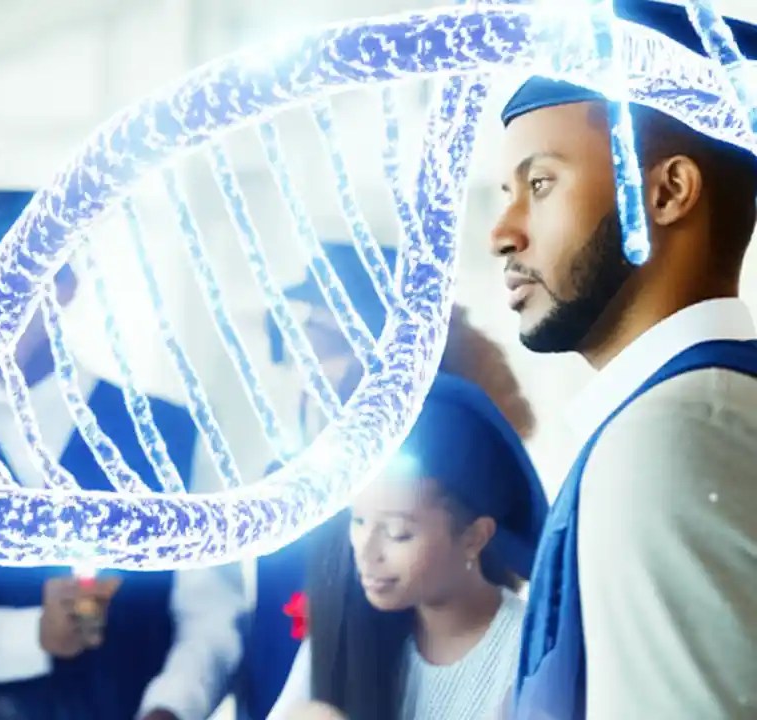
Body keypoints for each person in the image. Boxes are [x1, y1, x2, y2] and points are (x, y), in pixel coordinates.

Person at [491, 1, 757, 716]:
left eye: (540, 184)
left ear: (667, 192)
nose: (503, 233)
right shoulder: (697, 411)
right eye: (506, 194)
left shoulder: (674, 434)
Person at [0, 186, 245, 720]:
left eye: (16, 287)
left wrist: (172, 706)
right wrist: (32, 634)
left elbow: (211, 610)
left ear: (65, 285)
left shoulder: (165, 432)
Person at [244, 241, 543, 720]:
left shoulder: (517, 651)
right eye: (358, 522)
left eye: (321, 339)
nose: (367, 550)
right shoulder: (353, 606)